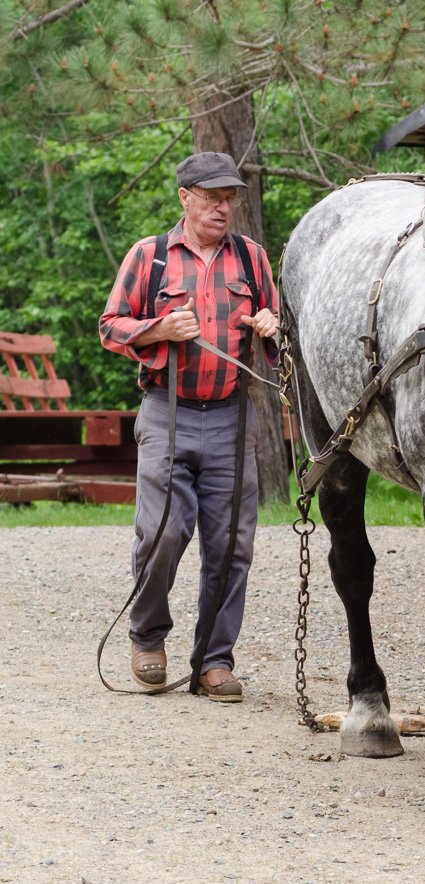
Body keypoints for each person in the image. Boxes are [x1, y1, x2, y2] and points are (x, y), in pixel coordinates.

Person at [99, 151, 279, 703]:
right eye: (212, 198)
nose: (223, 208)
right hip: (166, 413)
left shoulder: (251, 259)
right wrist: (157, 328)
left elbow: (276, 340)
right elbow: (110, 327)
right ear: (185, 197)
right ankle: (148, 638)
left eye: (230, 199)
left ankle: (213, 661)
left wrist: (273, 327)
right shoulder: (149, 257)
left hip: (232, 415)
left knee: (231, 545)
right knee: (163, 533)